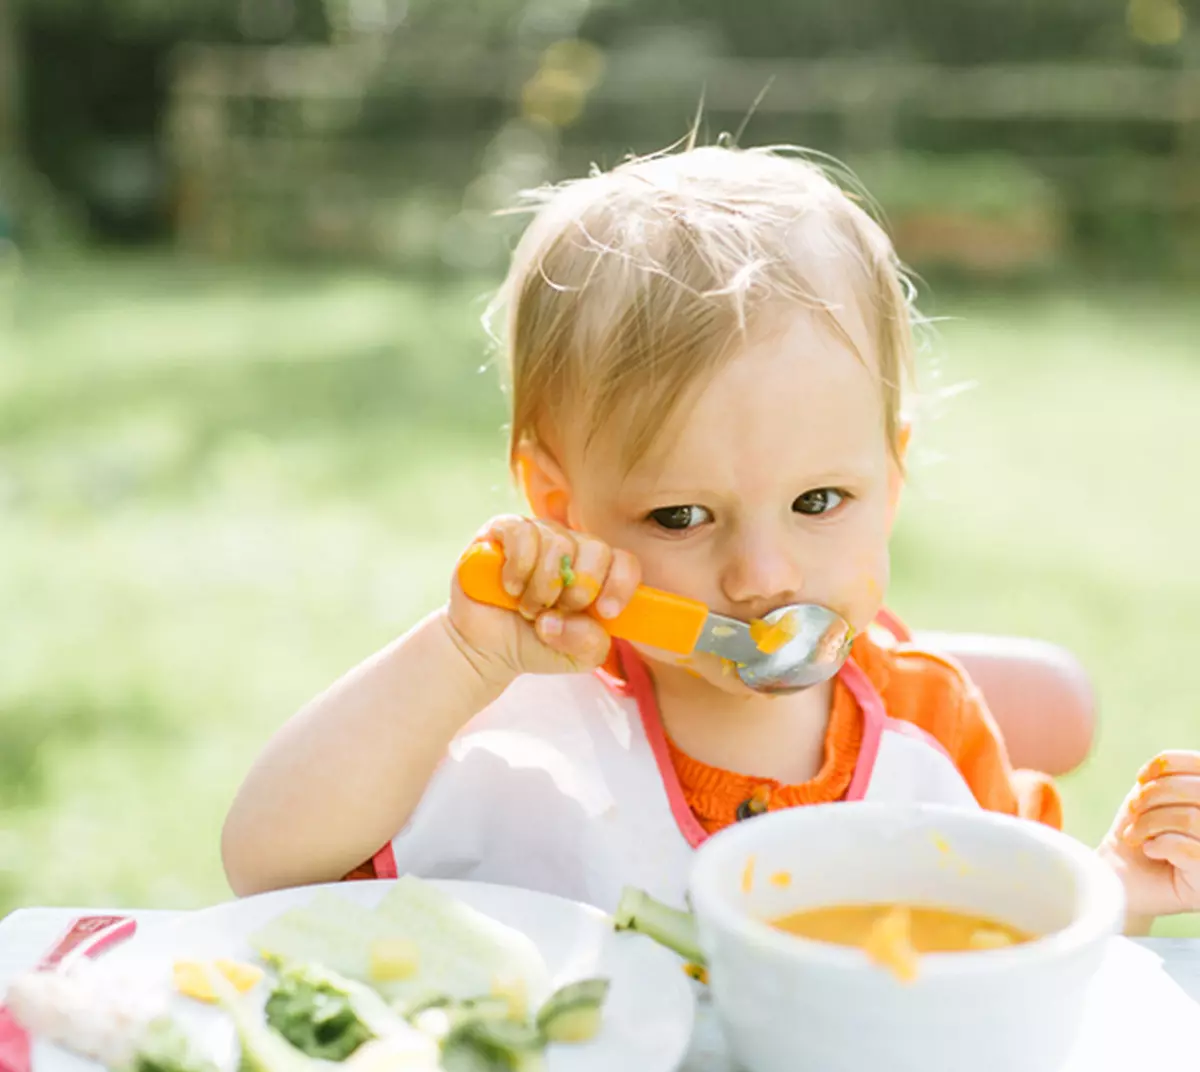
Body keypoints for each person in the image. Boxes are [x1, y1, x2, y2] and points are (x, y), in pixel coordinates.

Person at [221, 144, 1199, 937]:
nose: (763, 577)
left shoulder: (926, 729)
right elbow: (265, 866)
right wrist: (459, 654)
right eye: (682, 518)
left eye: (819, 501)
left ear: (892, 480)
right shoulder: (508, 715)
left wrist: (1117, 888)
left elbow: (1020, 947)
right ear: (560, 509)